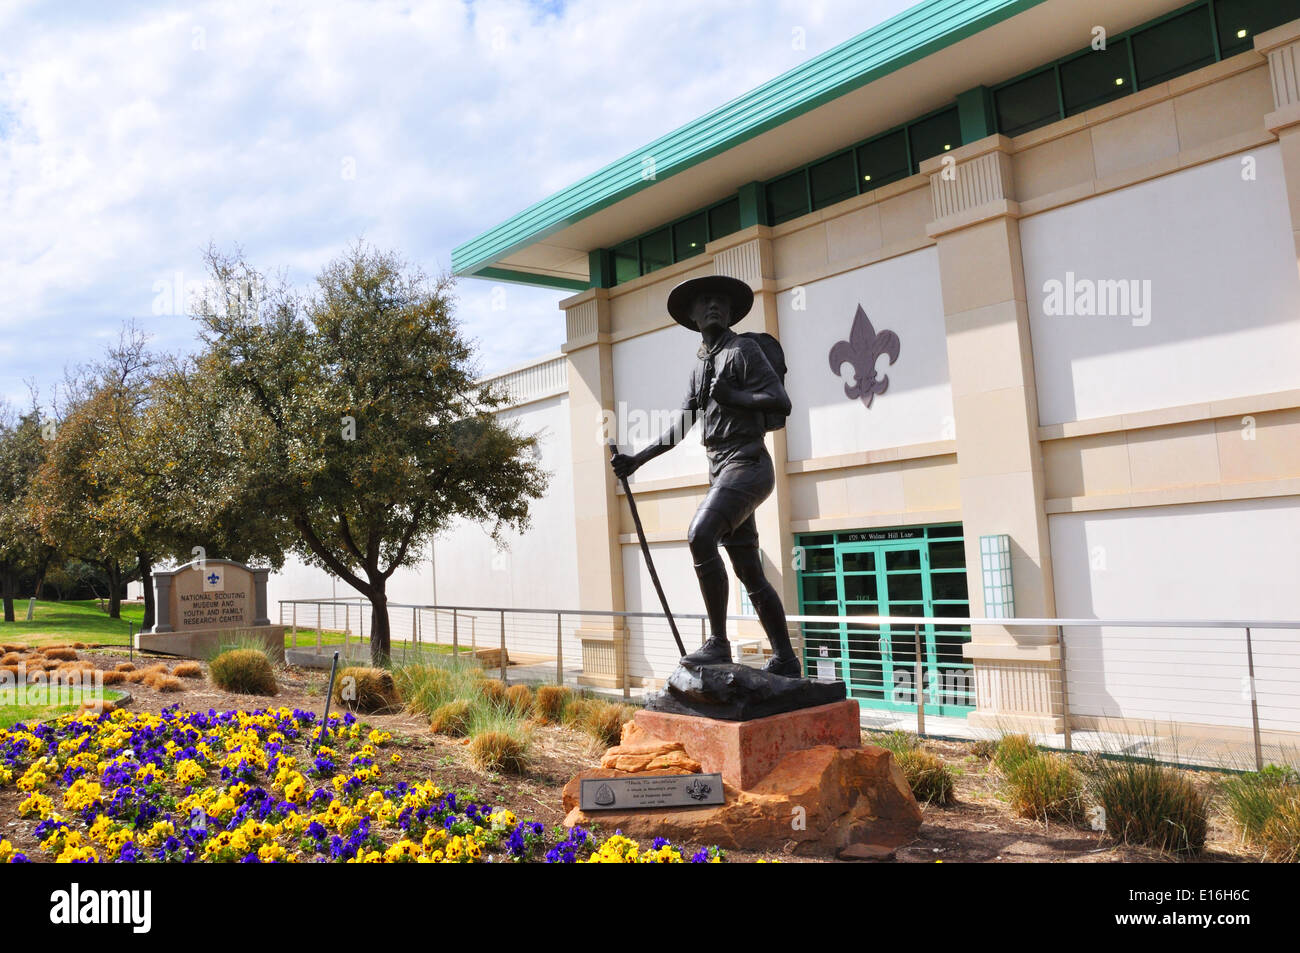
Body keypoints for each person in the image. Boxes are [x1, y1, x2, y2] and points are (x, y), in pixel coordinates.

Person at [610, 274, 801, 676]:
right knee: (750, 571)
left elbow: (780, 402)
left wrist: (736, 397)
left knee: (700, 535)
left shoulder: (743, 349)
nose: (713, 306)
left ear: (731, 312)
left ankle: (717, 643)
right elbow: (682, 425)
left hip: (748, 464)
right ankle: (786, 659)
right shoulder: (701, 367)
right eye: (705, 302)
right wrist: (636, 460)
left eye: (720, 301)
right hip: (721, 470)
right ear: (693, 316)